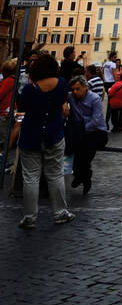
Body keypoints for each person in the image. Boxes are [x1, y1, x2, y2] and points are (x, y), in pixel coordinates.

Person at [17, 55, 74, 228]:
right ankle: (59, 212)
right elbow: (63, 102)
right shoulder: (62, 83)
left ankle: (29, 217)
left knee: (31, 178)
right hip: (54, 134)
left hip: (30, 135)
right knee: (55, 174)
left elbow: (23, 107)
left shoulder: (29, 89)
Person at [65, 75, 109, 195]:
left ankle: (83, 176)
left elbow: (96, 120)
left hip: (97, 131)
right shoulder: (70, 96)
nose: (75, 92)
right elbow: (62, 94)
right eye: (73, 89)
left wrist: (81, 129)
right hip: (79, 132)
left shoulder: (94, 99)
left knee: (85, 151)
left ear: (85, 87)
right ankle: (80, 175)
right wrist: (64, 103)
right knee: (71, 148)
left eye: (77, 89)